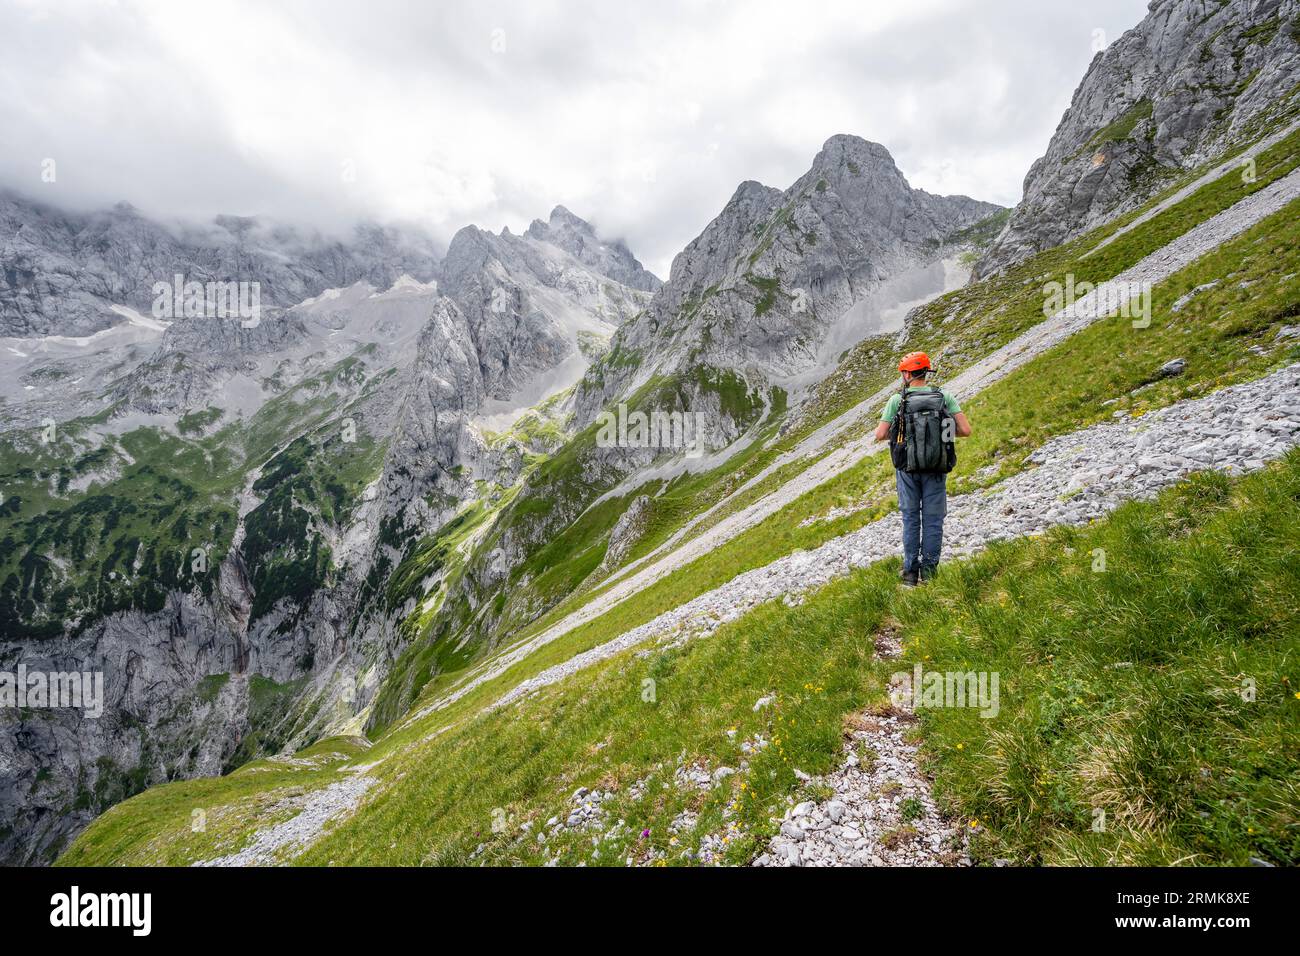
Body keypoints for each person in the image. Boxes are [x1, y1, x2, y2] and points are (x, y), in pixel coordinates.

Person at [873, 352, 971, 586]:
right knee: (933, 520)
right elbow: (965, 430)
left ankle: (909, 574)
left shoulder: (898, 400)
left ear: (907, 374)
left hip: (907, 469)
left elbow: (880, 435)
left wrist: (906, 434)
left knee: (910, 518)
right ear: (926, 372)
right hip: (936, 467)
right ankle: (929, 574)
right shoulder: (944, 396)